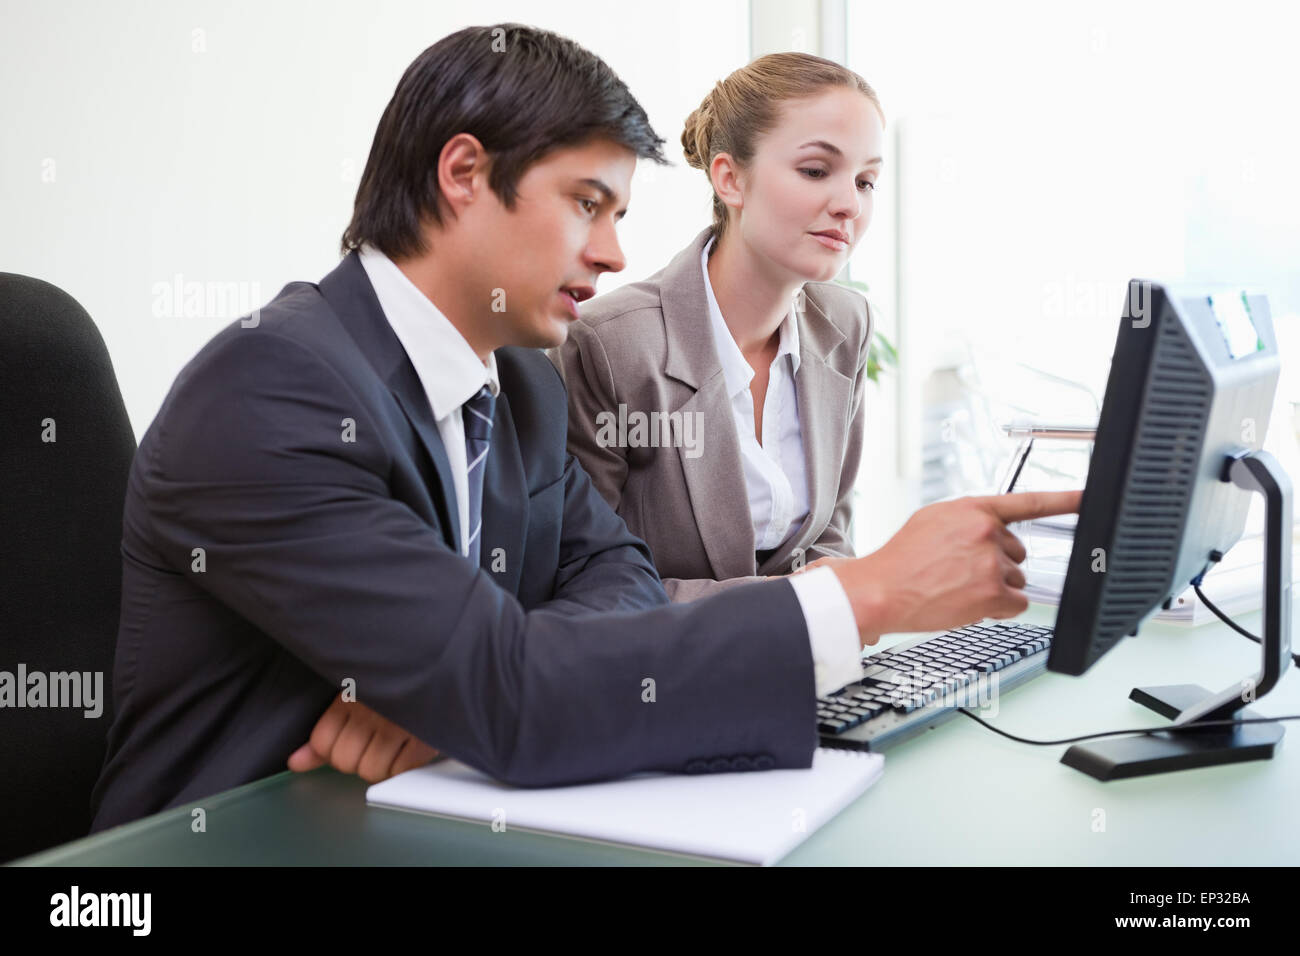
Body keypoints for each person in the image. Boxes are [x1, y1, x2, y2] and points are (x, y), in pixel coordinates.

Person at [90, 24, 1078, 829]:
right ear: (465, 173)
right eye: (586, 204)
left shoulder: (516, 381)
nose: (611, 253)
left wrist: (461, 684)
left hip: (414, 816)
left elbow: (621, 578)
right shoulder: (270, 389)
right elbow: (515, 696)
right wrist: (863, 596)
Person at [557, 53, 882, 601]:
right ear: (730, 178)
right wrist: (784, 609)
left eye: (867, 180)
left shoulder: (845, 325)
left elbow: (827, 537)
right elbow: (585, 583)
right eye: (816, 171)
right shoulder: (610, 346)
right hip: (661, 674)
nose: (849, 204)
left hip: (806, 666)